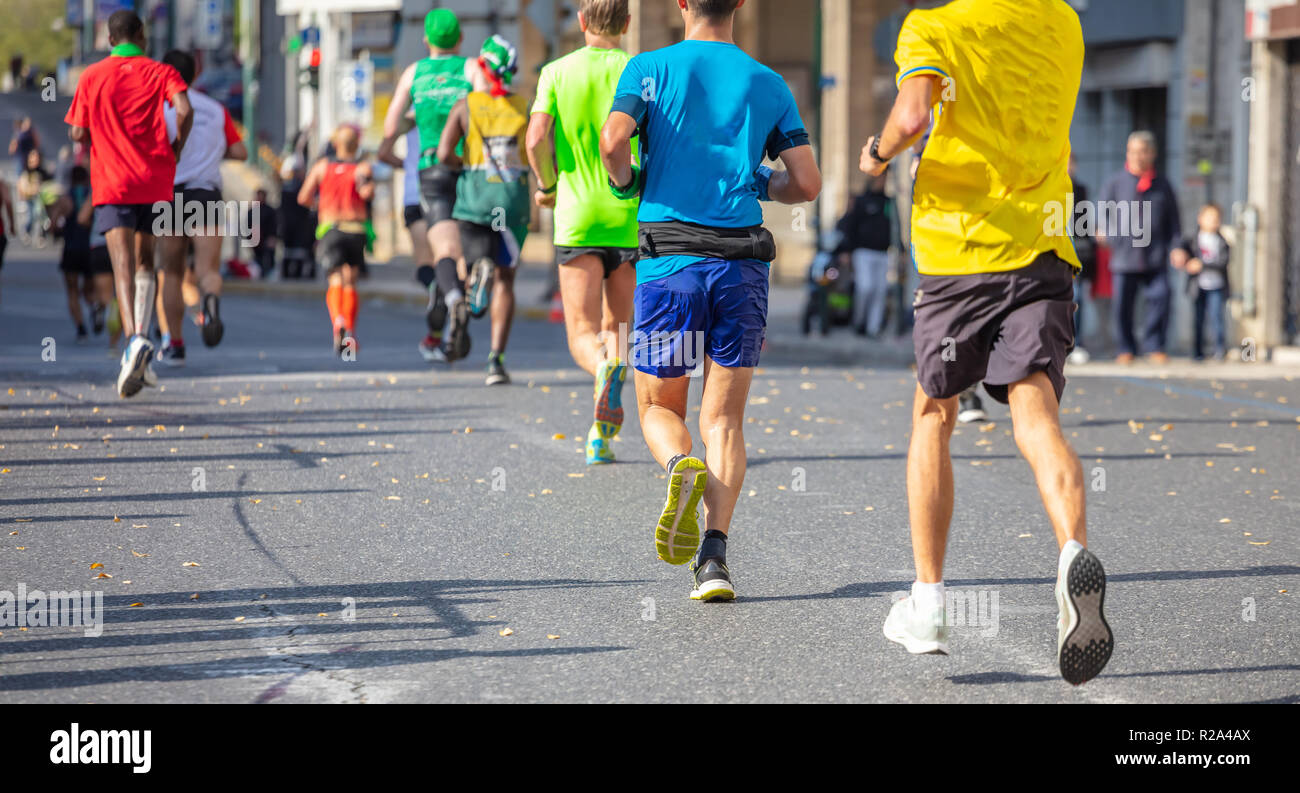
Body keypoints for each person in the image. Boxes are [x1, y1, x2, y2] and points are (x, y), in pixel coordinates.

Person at [863, 0, 1111, 685]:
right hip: (1045, 247)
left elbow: (912, 115)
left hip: (961, 253)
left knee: (934, 414)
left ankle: (929, 602)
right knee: (1035, 411)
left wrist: (877, 153)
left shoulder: (934, 28)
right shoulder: (1063, 20)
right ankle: (1071, 552)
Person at [602, 0, 821, 601]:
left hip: (670, 263)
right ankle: (714, 561)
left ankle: (679, 467)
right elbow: (805, 184)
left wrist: (627, 180)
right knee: (723, 420)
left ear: (680, 5)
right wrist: (756, 181)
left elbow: (613, 138)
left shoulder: (648, 68)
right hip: (741, 268)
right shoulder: (766, 81)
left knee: (659, 409)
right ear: (740, 7)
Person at [527, 0, 639, 464]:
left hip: (577, 218)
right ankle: (600, 438)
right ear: (627, 24)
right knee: (620, 329)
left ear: (580, 21)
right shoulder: (639, 69)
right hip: (629, 216)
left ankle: (602, 370)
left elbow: (535, 139)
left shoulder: (556, 72)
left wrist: (547, 184)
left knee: (583, 332)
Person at [65, 10, 193, 397]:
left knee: (121, 264)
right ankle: (143, 356)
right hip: (154, 179)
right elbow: (185, 109)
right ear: (142, 35)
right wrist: (175, 149)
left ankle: (135, 341)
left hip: (114, 182)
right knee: (145, 263)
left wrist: (94, 133)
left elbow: (77, 132)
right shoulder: (161, 71)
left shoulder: (92, 75)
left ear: (109, 39)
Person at [378, 9, 471, 363]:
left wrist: (407, 163)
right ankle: (448, 326)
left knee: (430, 260)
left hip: (421, 187)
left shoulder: (414, 83)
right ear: (460, 38)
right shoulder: (469, 71)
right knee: (458, 258)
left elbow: (386, 143)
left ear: (426, 40)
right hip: (463, 176)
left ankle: (439, 296)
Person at [437, 35, 529, 386]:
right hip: (510, 202)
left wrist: (467, 161)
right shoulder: (524, 107)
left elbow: (445, 153)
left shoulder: (466, 105)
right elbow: (537, 150)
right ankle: (496, 360)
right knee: (507, 280)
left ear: (481, 66)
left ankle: (476, 289)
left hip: (475, 201)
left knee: (469, 265)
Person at [155, 49, 247, 367]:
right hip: (206, 194)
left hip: (169, 194)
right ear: (196, 74)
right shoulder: (215, 109)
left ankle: (175, 345)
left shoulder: (159, 107)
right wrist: (211, 152)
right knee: (208, 270)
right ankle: (209, 305)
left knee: (171, 273)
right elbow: (241, 151)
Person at [1099, 131, 1181, 365]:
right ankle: (1125, 348)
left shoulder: (1163, 185)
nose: (1137, 156)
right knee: (1122, 305)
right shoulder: (1115, 183)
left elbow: (1174, 221)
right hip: (1125, 256)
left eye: (1142, 151)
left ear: (1152, 154)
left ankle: (1155, 345)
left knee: (1161, 297)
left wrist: (1177, 247)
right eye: (1132, 151)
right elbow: (1102, 213)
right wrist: (1105, 232)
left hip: (1155, 255)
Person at [297, 124, 374, 357]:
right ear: (357, 144)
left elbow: (303, 197)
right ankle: (349, 333)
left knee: (334, 281)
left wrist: (321, 205)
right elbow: (367, 194)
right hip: (355, 228)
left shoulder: (322, 167)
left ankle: (337, 321)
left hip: (330, 228)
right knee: (350, 282)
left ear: (336, 143)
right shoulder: (362, 167)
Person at [836, 170, 896, 338]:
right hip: (863, 251)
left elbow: (894, 228)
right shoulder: (861, 201)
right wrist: (846, 250)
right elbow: (850, 225)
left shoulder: (889, 202)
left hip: (883, 252)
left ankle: (873, 328)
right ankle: (859, 321)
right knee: (865, 287)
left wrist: (902, 251)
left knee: (880, 290)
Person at [57, 166, 113, 340]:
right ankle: (95, 305)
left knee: (72, 290)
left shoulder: (66, 198)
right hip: (89, 249)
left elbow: (54, 223)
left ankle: (81, 327)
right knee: (91, 288)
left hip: (72, 249)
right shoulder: (95, 192)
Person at [1172, 203, 1231, 362]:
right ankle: (1197, 351)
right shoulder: (1192, 239)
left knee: (1216, 318)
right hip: (1198, 287)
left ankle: (1219, 349)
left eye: (1216, 218)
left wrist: (1202, 265)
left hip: (1216, 286)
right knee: (1198, 320)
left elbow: (1223, 262)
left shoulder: (1222, 242)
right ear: (1200, 219)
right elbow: (1180, 248)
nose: (1213, 221)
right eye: (1209, 217)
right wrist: (1181, 257)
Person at [1067, 153, 1097, 365]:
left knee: (1077, 298)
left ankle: (1076, 344)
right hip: (1052, 249)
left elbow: (1084, 224)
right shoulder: (1045, 187)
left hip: (1076, 249)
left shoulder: (1081, 190)